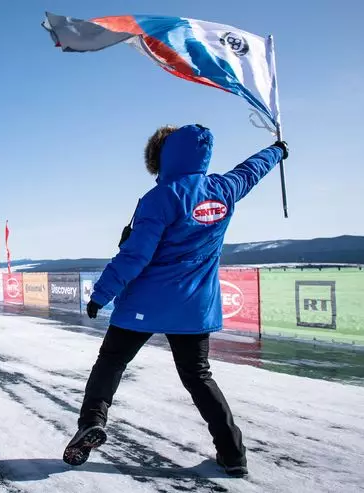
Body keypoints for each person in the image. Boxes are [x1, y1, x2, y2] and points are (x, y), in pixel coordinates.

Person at [63, 123, 288, 478]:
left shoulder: (161, 197)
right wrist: (277, 151)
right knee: (198, 376)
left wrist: (101, 294)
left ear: (160, 156)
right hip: (194, 307)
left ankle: (91, 421)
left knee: (110, 363)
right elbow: (251, 170)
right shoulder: (223, 188)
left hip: (143, 305)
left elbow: (135, 255)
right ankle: (232, 453)